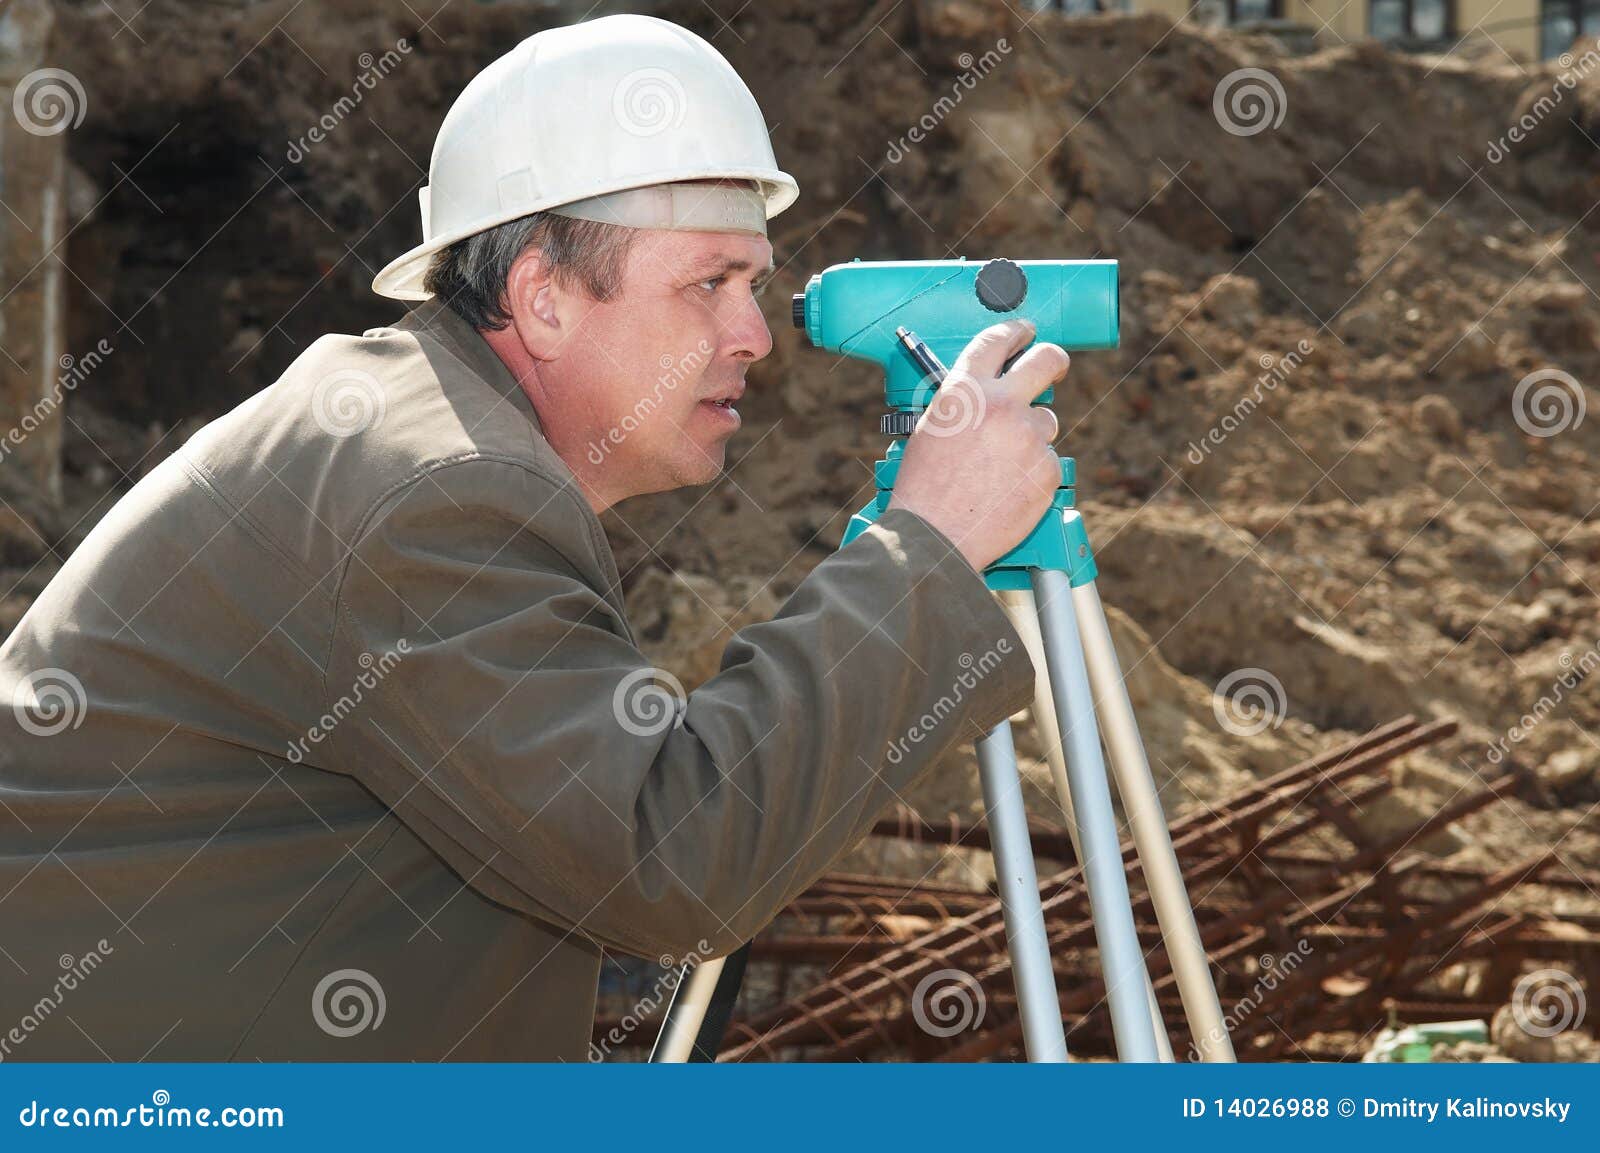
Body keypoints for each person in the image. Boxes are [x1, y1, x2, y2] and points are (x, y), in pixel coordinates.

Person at [0, 14, 1066, 1061]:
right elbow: (668, 857)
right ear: (543, 299)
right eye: (709, 284)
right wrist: (930, 540)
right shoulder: (438, 491)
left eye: (756, 284)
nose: (754, 337)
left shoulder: (417, 428)